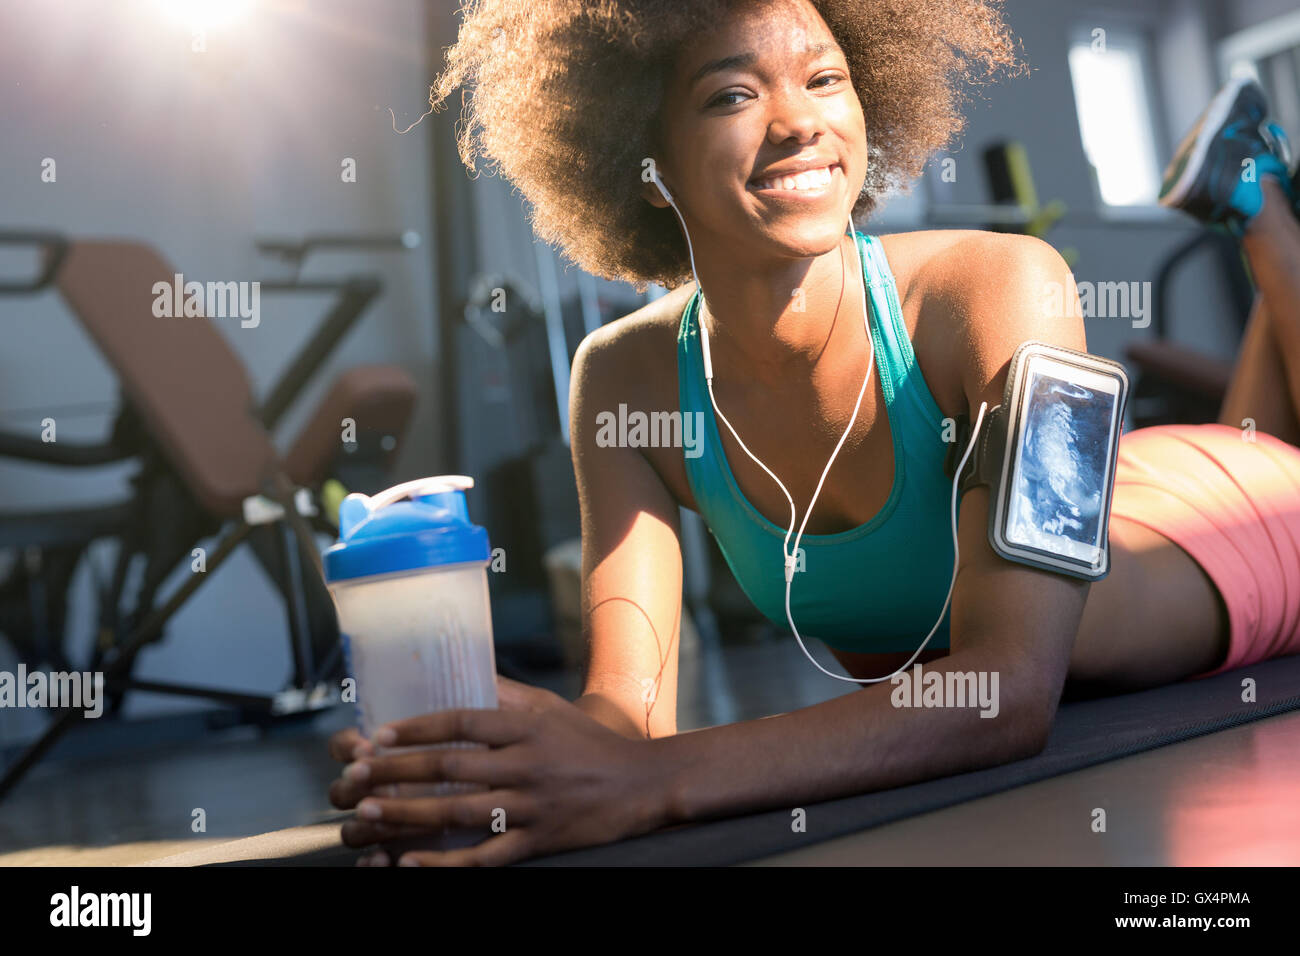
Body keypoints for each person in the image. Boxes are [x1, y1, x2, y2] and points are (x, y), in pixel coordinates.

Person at [327, 0, 1300, 866]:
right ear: (644, 158)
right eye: (730, 95)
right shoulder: (619, 378)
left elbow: (1006, 688)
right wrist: (481, 757)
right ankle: (1255, 197)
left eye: (824, 77)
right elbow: (627, 708)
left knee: (1275, 461)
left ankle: (1266, 217)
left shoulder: (1009, 283)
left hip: (1242, 526)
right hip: (1133, 487)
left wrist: (652, 781)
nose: (798, 121)